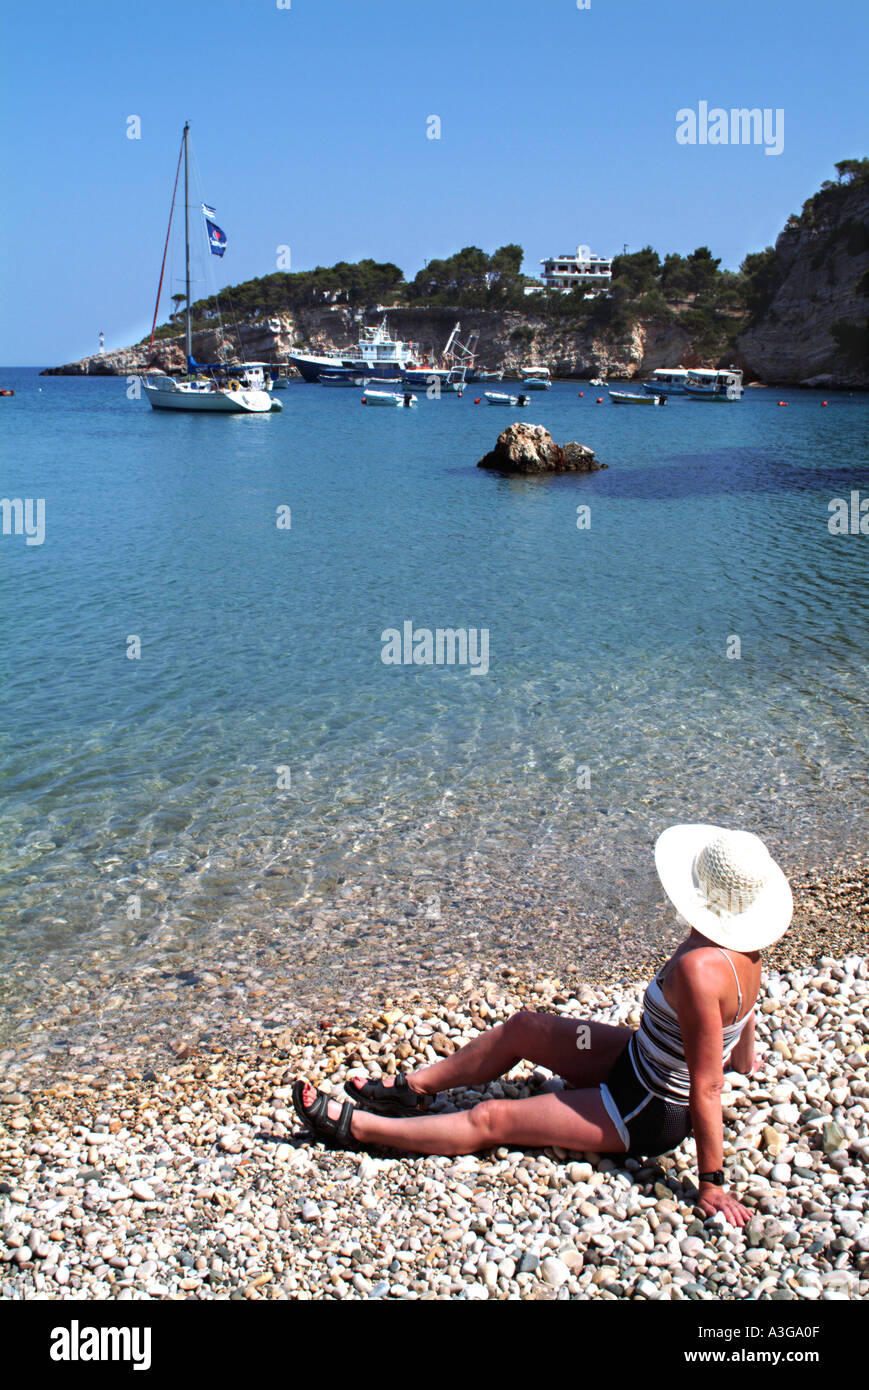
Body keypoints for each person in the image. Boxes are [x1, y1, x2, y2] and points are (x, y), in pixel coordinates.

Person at [293, 825, 793, 1227]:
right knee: (525, 1028)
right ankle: (413, 1090)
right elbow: (743, 1015)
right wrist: (745, 1059)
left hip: (647, 1106)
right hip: (640, 1058)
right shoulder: (743, 948)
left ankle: (360, 1129)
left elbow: (706, 1087)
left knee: (491, 1118)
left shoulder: (698, 967)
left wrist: (712, 1182)